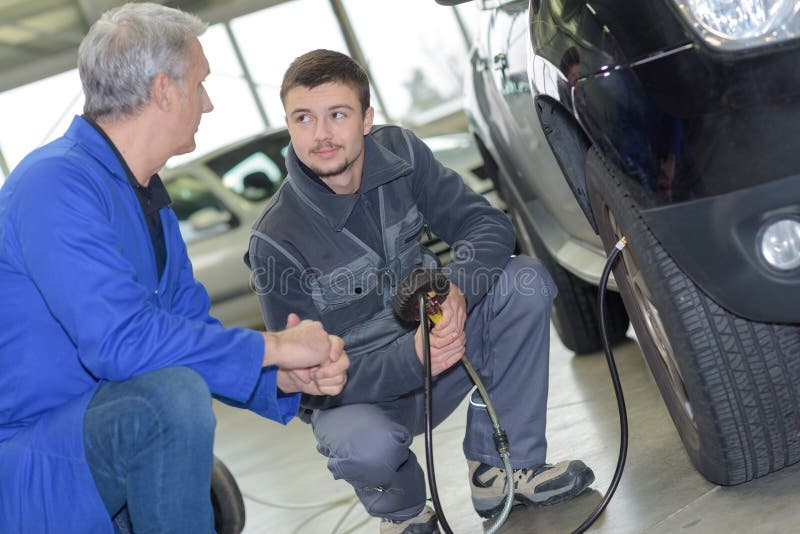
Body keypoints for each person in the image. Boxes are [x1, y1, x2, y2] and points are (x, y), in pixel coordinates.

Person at [0, 5, 348, 533]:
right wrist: (274, 346)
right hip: (33, 461)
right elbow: (122, 343)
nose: (208, 103)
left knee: (171, 392)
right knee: (171, 399)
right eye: (200, 83)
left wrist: (280, 375)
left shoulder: (147, 197)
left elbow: (187, 331)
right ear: (164, 90)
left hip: (98, 437)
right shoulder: (53, 184)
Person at [246, 49, 594, 534]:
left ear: (367, 119)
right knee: (364, 446)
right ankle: (404, 514)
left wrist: (458, 290)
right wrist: (411, 359)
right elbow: (307, 385)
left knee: (524, 280)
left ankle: (500, 471)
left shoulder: (402, 155)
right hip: (363, 398)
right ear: (288, 124)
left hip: (448, 353)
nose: (320, 134)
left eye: (337, 115)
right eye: (303, 118)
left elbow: (486, 225)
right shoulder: (275, 239)